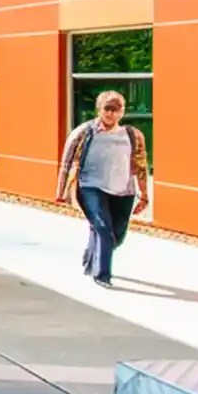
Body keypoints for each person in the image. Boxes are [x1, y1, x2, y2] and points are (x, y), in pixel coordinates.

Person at [56, 90, 149, 288]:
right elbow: (66, 161)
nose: (111, 114)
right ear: (99, 109)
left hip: (124, 191)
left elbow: (141, 165)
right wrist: (61, 191)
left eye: (116, 110)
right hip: (91, 187)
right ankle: (102, 274)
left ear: (122, 112)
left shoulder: (132, 135)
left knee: (117, 235)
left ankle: (93, 254)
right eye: (108, 109)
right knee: (104, 229)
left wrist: (144, 195)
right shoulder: (84, 133)